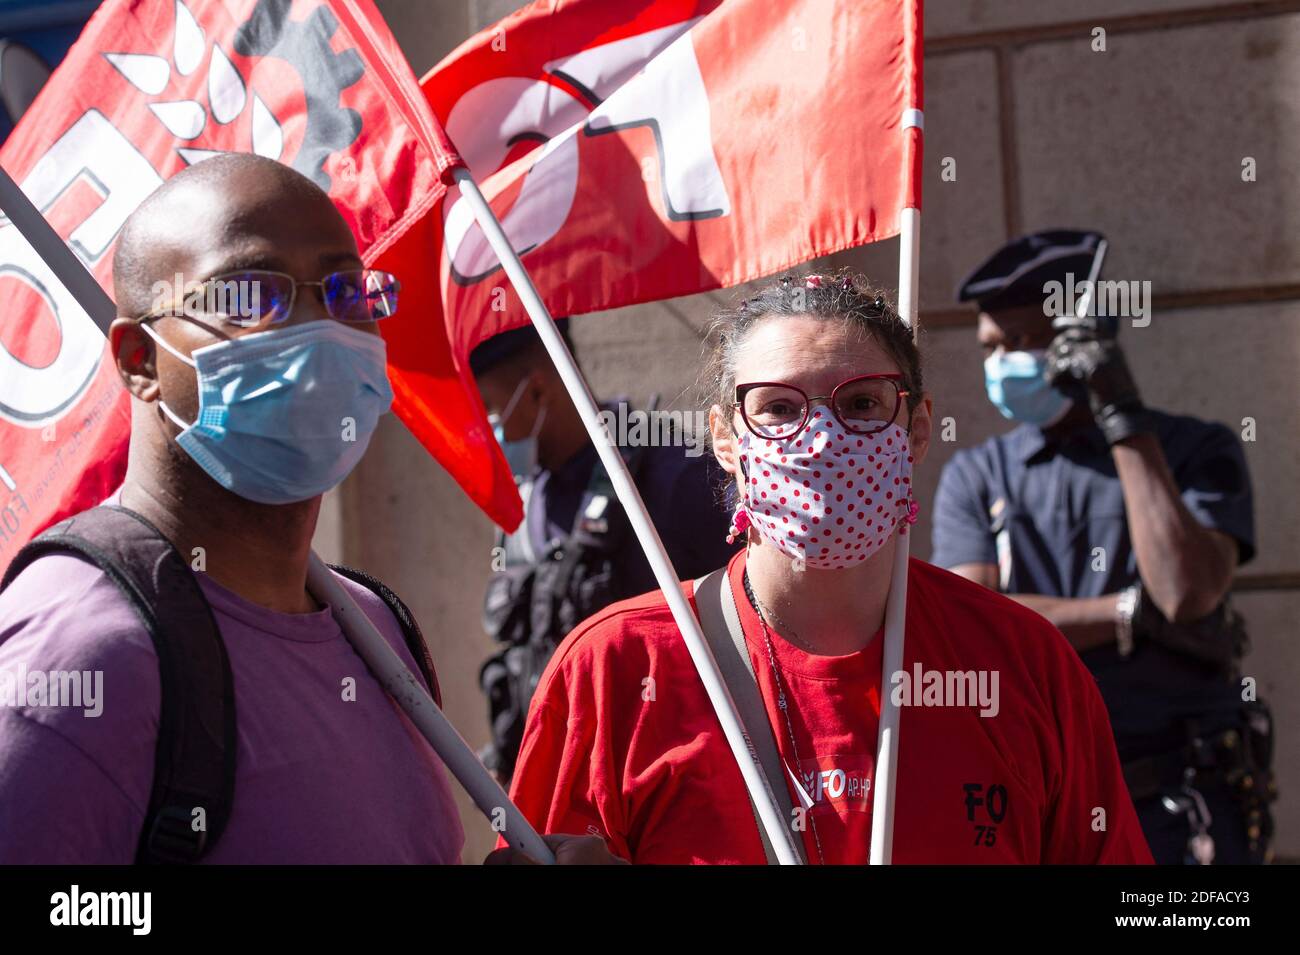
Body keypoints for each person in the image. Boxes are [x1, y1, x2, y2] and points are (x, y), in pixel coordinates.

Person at [0, 153, 612, 865]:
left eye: (347, 291)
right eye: (249, 294)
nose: (319, 328)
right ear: (140, 359)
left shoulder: (373, 628)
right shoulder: (82, 656)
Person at [506, 271, 1153, 864]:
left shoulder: (1025, 664)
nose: (821, 438)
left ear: (918, 428)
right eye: (780, 408)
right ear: (727, 439)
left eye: (862, 403)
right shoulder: (615, 667)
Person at [934, 229, 1274, 864]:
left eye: (1023, 340)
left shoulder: (1196, 451)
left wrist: (1121, 412)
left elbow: (1185, 591)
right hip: (1041, 800)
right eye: (991, 346)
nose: (1002, 361)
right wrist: (1128, 616)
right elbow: (976, 624)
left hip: (1177, 803)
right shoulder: (978, 475)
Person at [470, 321, 737, 782]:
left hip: (667, 784)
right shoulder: (527, 496)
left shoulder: (673, 477)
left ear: (537, 392)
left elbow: (751, 626)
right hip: (563, 787)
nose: (481, 435)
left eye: (488, 414)